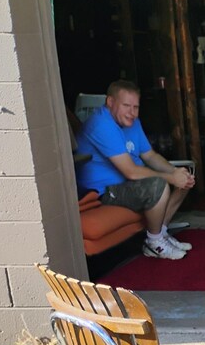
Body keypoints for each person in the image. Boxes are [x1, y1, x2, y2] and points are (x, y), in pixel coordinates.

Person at [75, 80, 196, 260]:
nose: (132, 112)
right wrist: (170, 178)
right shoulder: (101, 124)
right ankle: (153, 242)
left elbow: (150, 156)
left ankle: (160, 235)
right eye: (126, 106)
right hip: (103, 192)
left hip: (127, 185)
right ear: (110, 102)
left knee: (184, 176)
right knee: (158, 184)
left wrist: (176, 173)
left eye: (136, 107)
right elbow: (130, 171)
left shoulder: (133, 122)